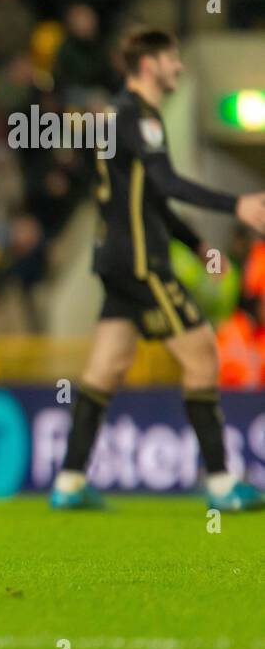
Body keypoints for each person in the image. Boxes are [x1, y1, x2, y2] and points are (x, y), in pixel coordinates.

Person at [51, 28, 265, 512]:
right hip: (143, 263)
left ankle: (68, 481)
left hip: (114, 260)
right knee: (203, 355)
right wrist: (237, 204)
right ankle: (220, 484)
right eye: (171, 59)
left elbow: (148, 197)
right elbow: (166, 183)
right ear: (148, 65)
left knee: (105, 368)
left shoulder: (116, 115)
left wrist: (196, 245)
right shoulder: (140, 117)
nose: (180, 67)